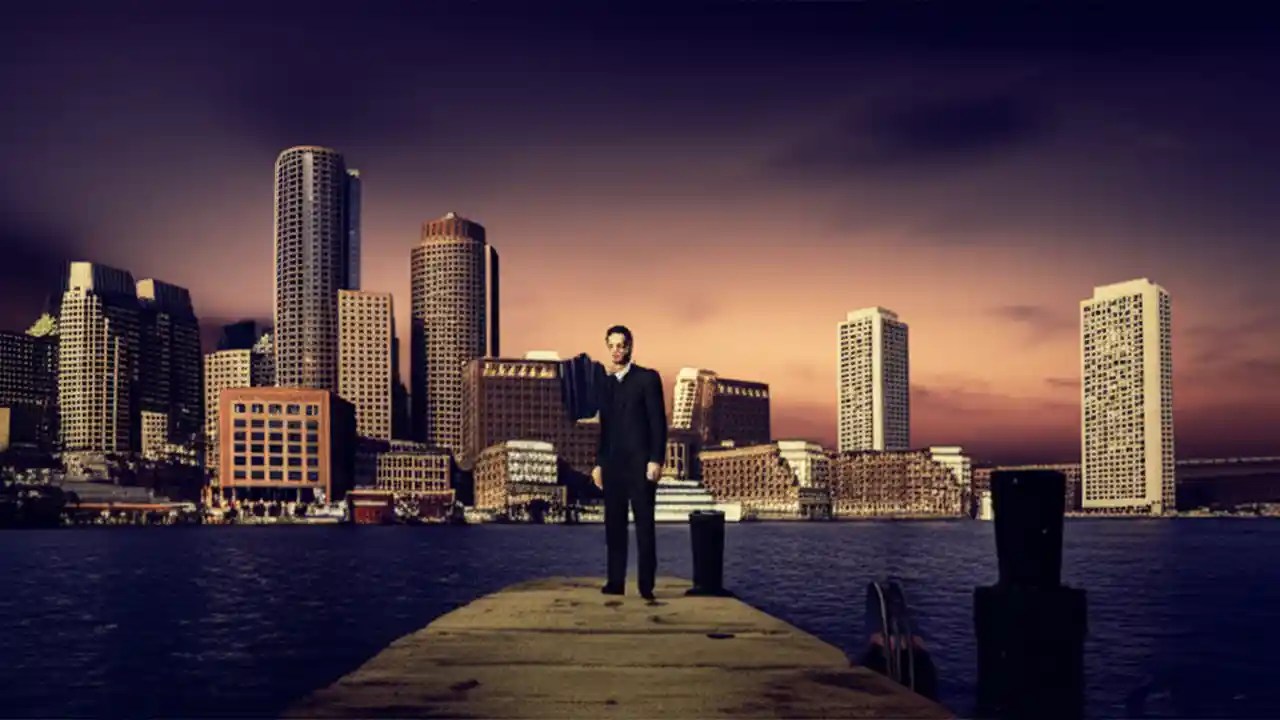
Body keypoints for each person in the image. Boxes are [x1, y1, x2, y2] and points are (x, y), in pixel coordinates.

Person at [591, 325, 667, 601]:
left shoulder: (647, 379)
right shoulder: (606, 385)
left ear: (631, 346)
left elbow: (658, 422)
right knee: (614, 525)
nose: (616, 350)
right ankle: (615, 581)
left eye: (621, 345)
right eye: (611, 345)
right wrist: (599, 464)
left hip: (641, 465)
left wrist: (656, 459)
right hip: (613, 466)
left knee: (645, 525)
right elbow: (605, 428)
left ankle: (646, 585)